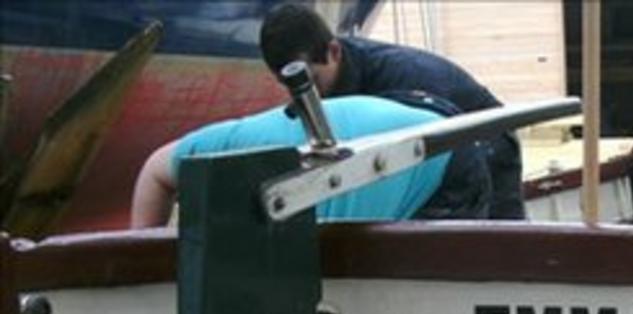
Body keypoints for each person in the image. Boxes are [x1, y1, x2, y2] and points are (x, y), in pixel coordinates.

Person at [259, 2, 525, 219]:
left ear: (334, 51)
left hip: (486, 139)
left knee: (494, 243)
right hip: (439, 144)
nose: (307, 96)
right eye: (291, 87)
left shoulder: (405, 79)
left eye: (312, 82)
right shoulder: (333, 85)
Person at [130, 94, 485, 227]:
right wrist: (143, 264)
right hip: (377, 116)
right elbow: (155, 172)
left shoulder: (337, 213)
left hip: (443, 153)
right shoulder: (221, 145)